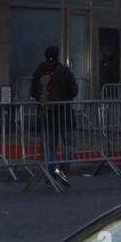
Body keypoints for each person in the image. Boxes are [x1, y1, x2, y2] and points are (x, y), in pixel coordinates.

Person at [29, 45, 78, 187]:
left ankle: (50, 175)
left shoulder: (39, 71)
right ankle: (61, 170)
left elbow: (33, 91)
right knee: (69, 144)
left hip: (47, 114)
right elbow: (73, 90)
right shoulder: (64, 71)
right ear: (58, 56)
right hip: (64, 113)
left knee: (50, 146)